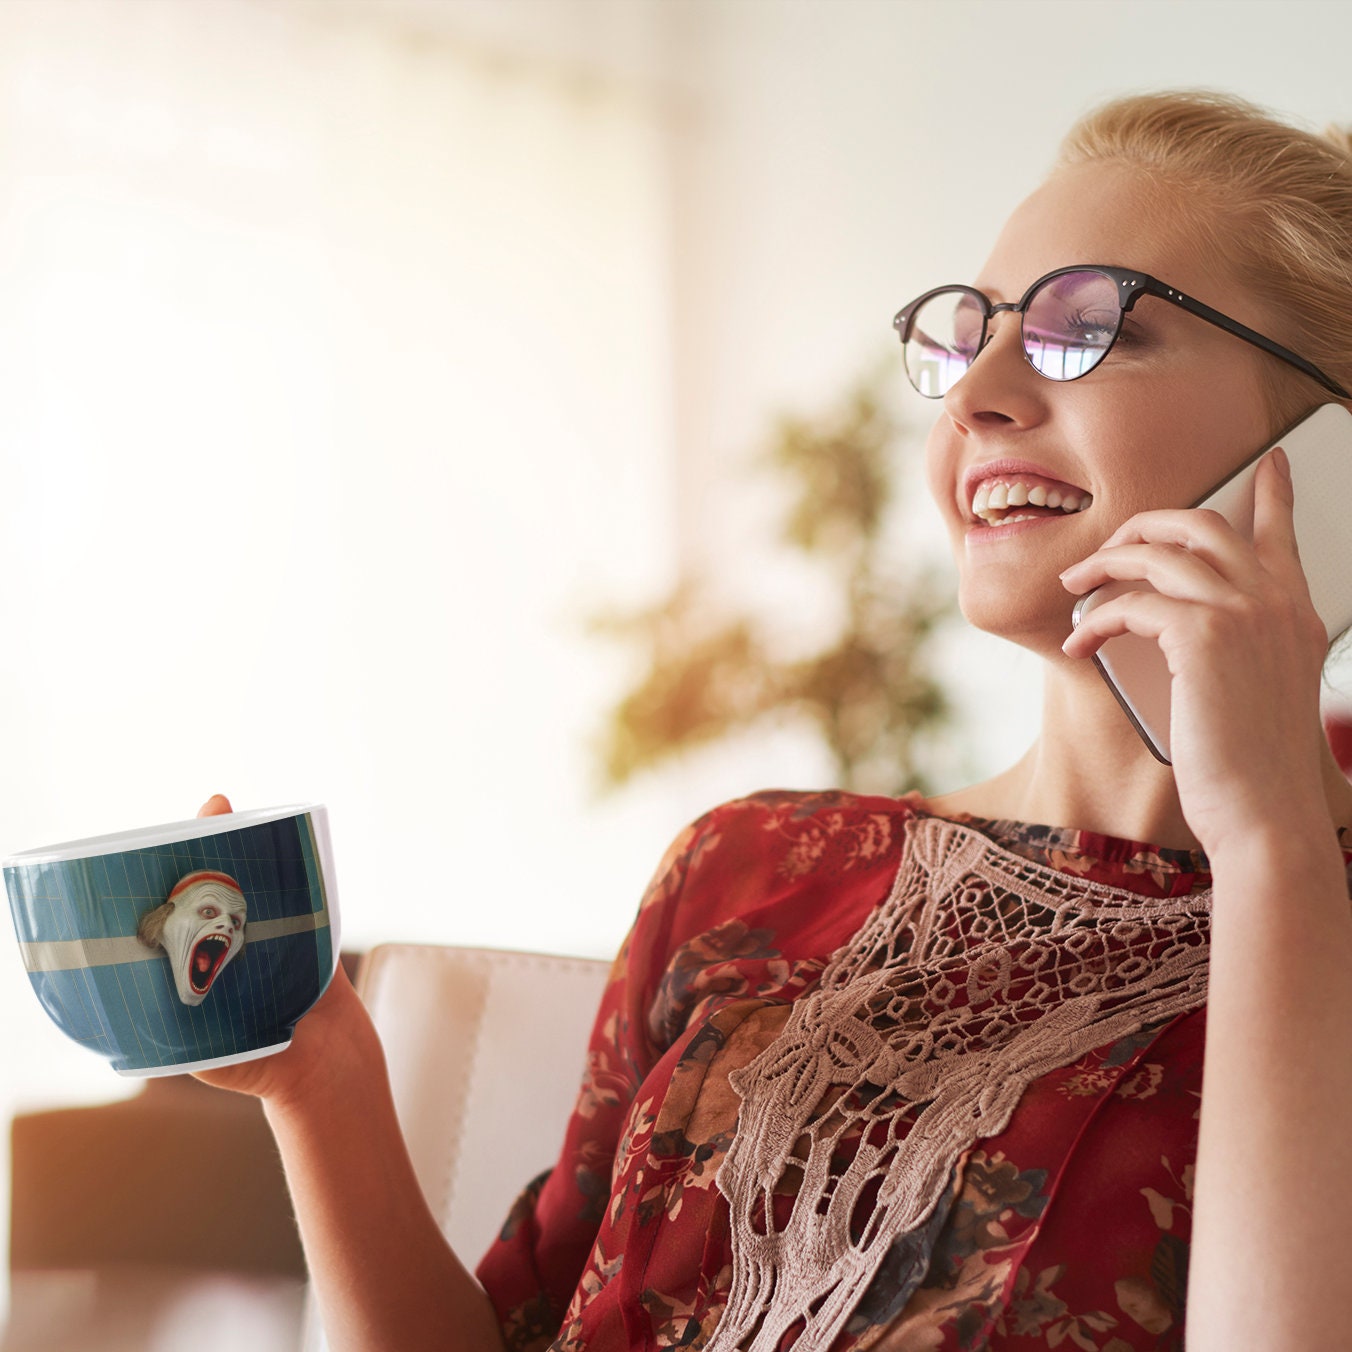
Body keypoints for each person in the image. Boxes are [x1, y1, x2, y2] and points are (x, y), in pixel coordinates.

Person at [196, 89, 1352, 1351]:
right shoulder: (745, 868)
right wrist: (323, 1087)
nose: (977, 394)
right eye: (968, 336)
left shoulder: (1316, 907)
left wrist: (1270, 849)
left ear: (1328, 438)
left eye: (1088, 328)